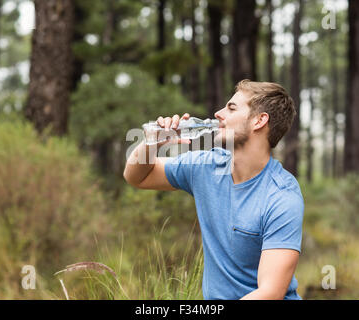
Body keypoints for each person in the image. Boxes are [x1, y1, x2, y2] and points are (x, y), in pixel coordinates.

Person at [123, 80, 304, 300]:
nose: (218, 113)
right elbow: (136, 177)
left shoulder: (282, 195)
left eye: (231, 108)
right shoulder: (206, 166)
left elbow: (270, 293)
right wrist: (153, 142)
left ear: (259, 120)